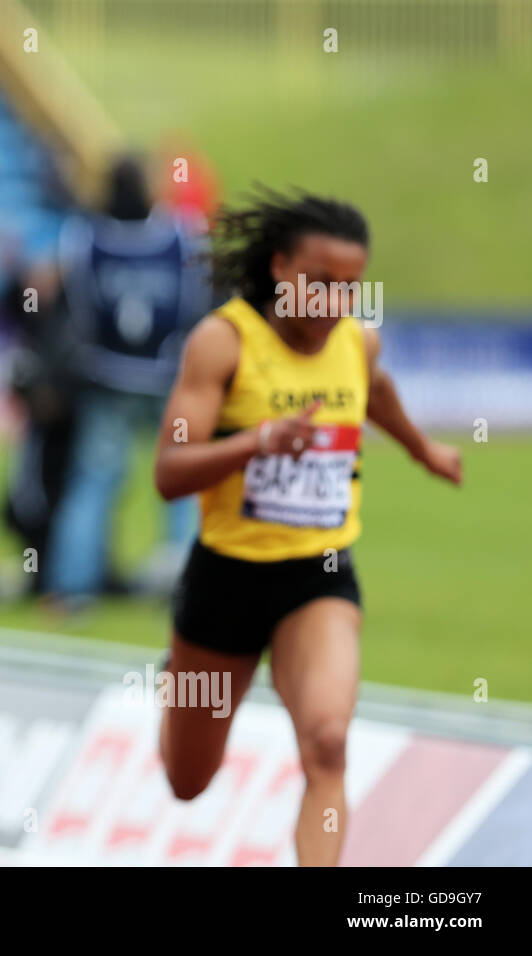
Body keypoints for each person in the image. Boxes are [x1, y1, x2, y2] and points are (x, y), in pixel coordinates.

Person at [153, 187, 462, 866]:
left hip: (316, 576)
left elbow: (376, 392)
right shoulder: (223, 342)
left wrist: (424, 449)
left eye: (351, 288)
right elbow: (170, 470)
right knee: (186, 781)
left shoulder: (356, 342)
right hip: (225, 579)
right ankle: (176, 671)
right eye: (320, 284)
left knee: (328, 742)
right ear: (280, 268)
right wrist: (257, 442)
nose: (335, 304)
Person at [44, 156, 211, 606]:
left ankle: (71, 587)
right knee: (184, 484)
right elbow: (197, 303)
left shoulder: (83, 238)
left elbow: (77, 307)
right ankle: (193, 584)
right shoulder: (183, 235)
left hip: (107, 377)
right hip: (167, 377)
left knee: (94, 481)